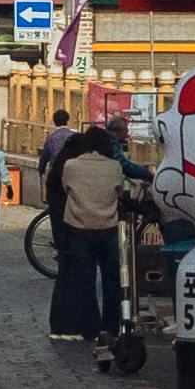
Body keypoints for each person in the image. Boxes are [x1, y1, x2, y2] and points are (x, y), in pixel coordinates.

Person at [47, 120, 131, 343]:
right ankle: (112, 326)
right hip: (108, 228)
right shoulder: (114, 166)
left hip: (79, 229)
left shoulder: (71, 166)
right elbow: (119, 191)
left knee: (85, 281)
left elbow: (67, 188)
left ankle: (91, 328)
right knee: (112, 280)